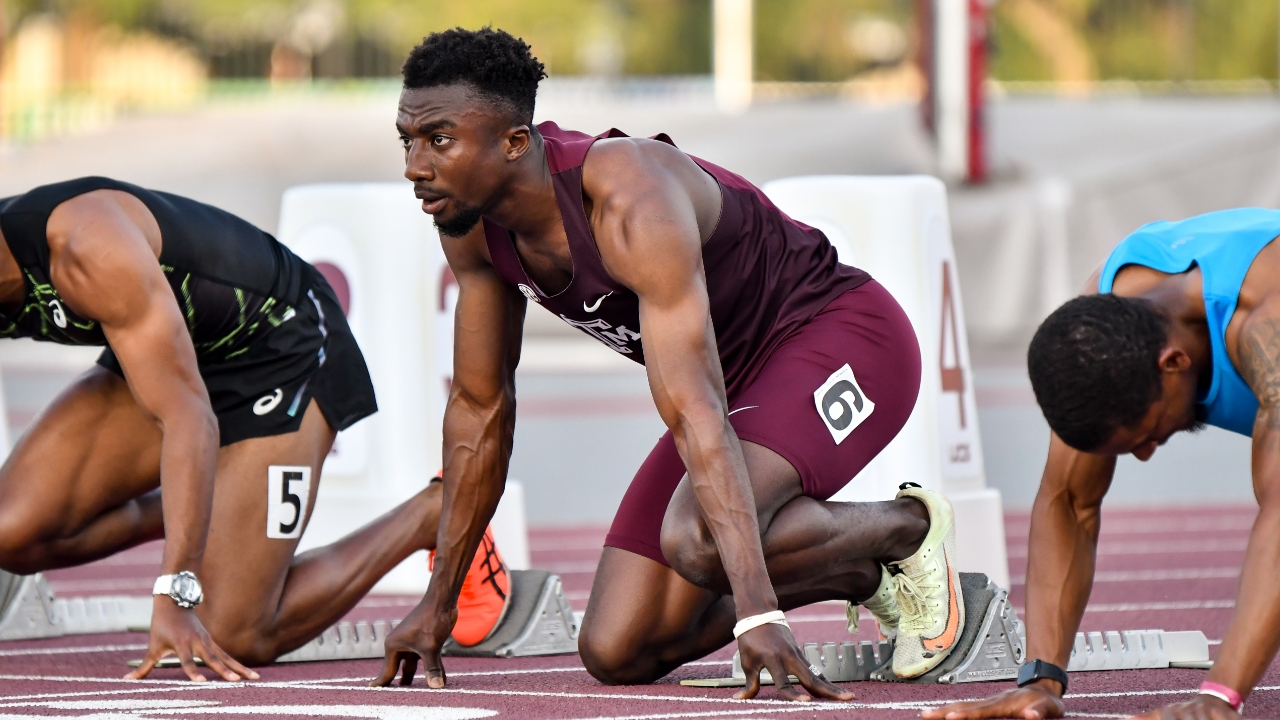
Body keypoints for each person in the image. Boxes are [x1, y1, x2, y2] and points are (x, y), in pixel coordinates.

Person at [374, 27, 967, 702]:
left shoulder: (629, 198)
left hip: (843, 338)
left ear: (514, 142)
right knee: (616, 647)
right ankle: (863, 572)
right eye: (408, 140)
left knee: (698, 541)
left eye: (438, 140)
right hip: (730, 384)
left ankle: (907, 529)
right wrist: (439, 601)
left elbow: (692, 406)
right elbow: (480, 412)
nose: (415, 166)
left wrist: (758, 612)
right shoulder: (471, 228)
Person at [0, 177, 509, 681]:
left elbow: (188, 417)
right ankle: (223, 507)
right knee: (12, 532)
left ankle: (431, 514)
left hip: (283, 349)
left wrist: (175, 591)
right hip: (173, 358)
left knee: (233, 633)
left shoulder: (86, 246)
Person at [924, 209, 1280, 720]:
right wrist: (1040, 681)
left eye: (1145, 433)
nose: (1144, 453)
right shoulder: (1097, 331)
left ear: (1173, 362)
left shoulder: (1267, 323)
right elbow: (1069, 501)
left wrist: (1217, 699)